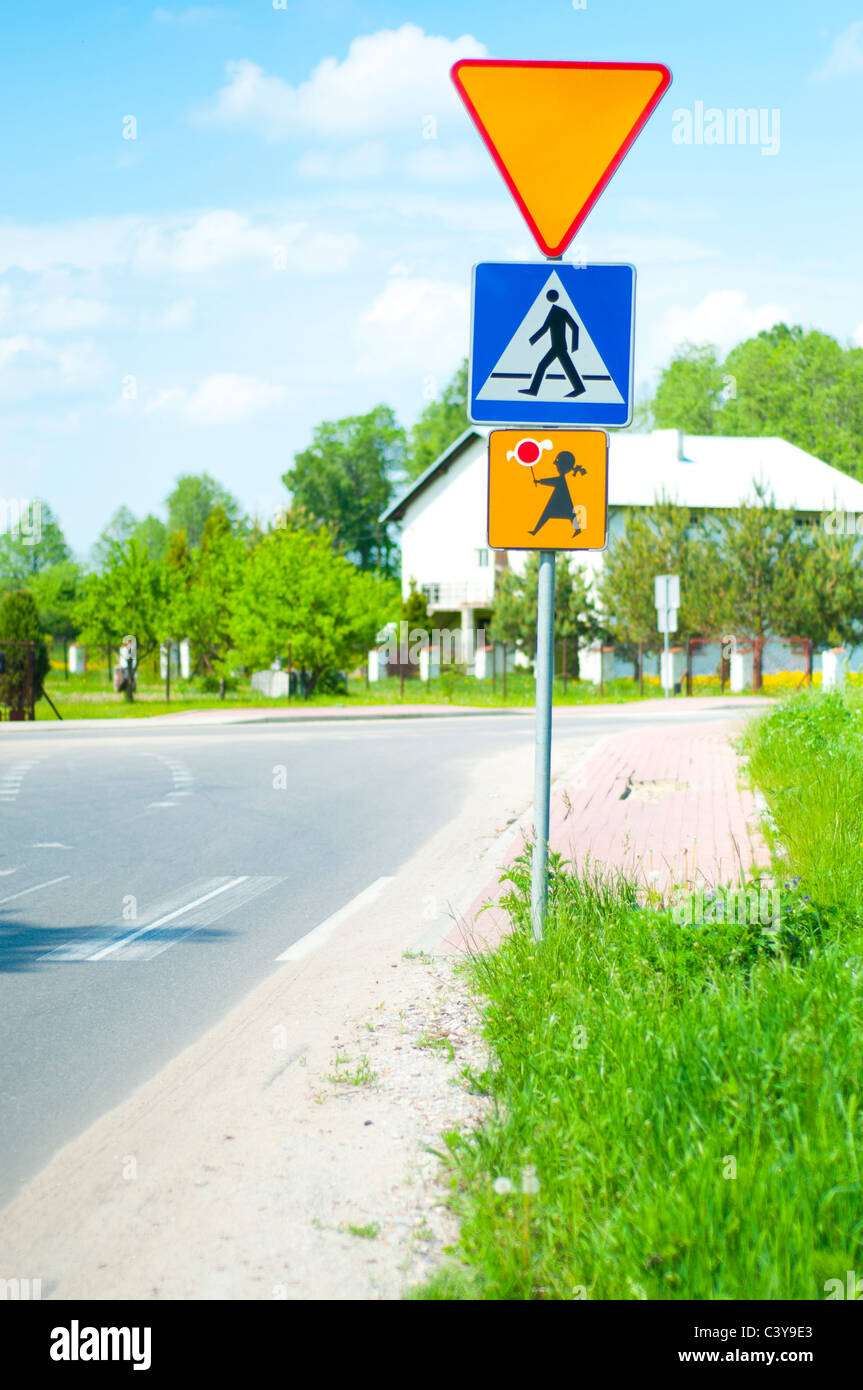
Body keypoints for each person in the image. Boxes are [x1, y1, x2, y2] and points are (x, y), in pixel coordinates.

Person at [518, 290, 586, 398]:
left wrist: (575, 346)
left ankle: (534, 390)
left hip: (559, 346)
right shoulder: (554, 312)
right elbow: (545, 328)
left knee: (547, 366)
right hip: (557, 347)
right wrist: (531, 340)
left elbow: (575, 327)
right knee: (563, 367)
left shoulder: (559, 312)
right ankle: (579, 388)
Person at [529, 450, 586, 536]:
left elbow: (554, 481)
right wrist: (540, 481)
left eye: (557, 463)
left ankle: (535, 532)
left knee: (549, 513)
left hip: (560, 500)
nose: (555, 465)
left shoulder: (562, 479)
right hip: (562, 499)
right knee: (568, 514)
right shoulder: (564, 478)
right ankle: (535, 531)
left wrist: (540, 481)